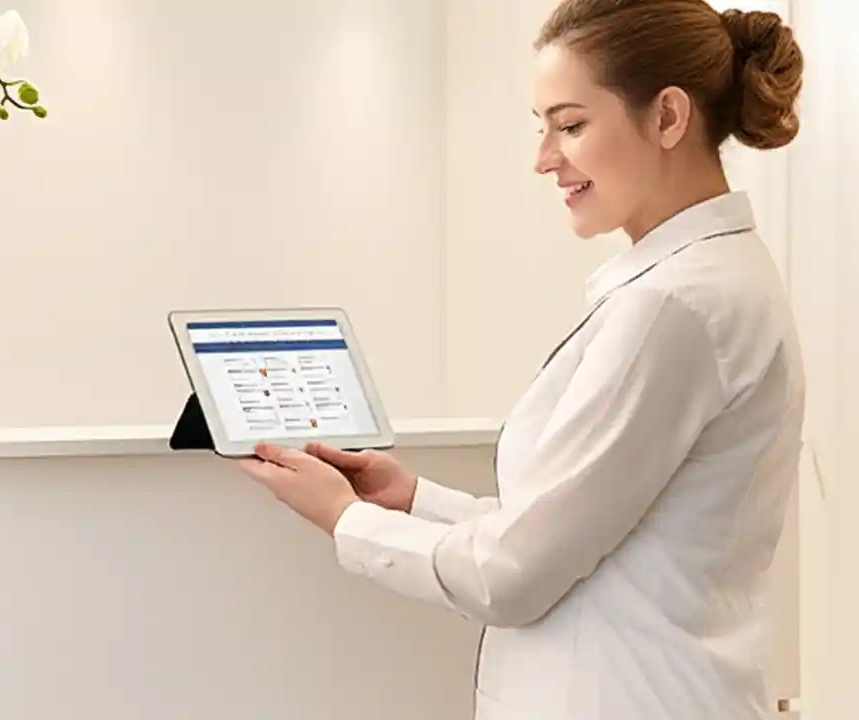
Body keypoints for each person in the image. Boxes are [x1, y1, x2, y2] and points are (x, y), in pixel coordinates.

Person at [236, 1, 807, 718]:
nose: (544, 159)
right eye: (542, 127)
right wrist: (414, 500)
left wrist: (345, 519)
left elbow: (510, 577)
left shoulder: (675, 307)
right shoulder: (718, 279)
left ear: (667, 117)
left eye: (571, 125)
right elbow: (578, 531)